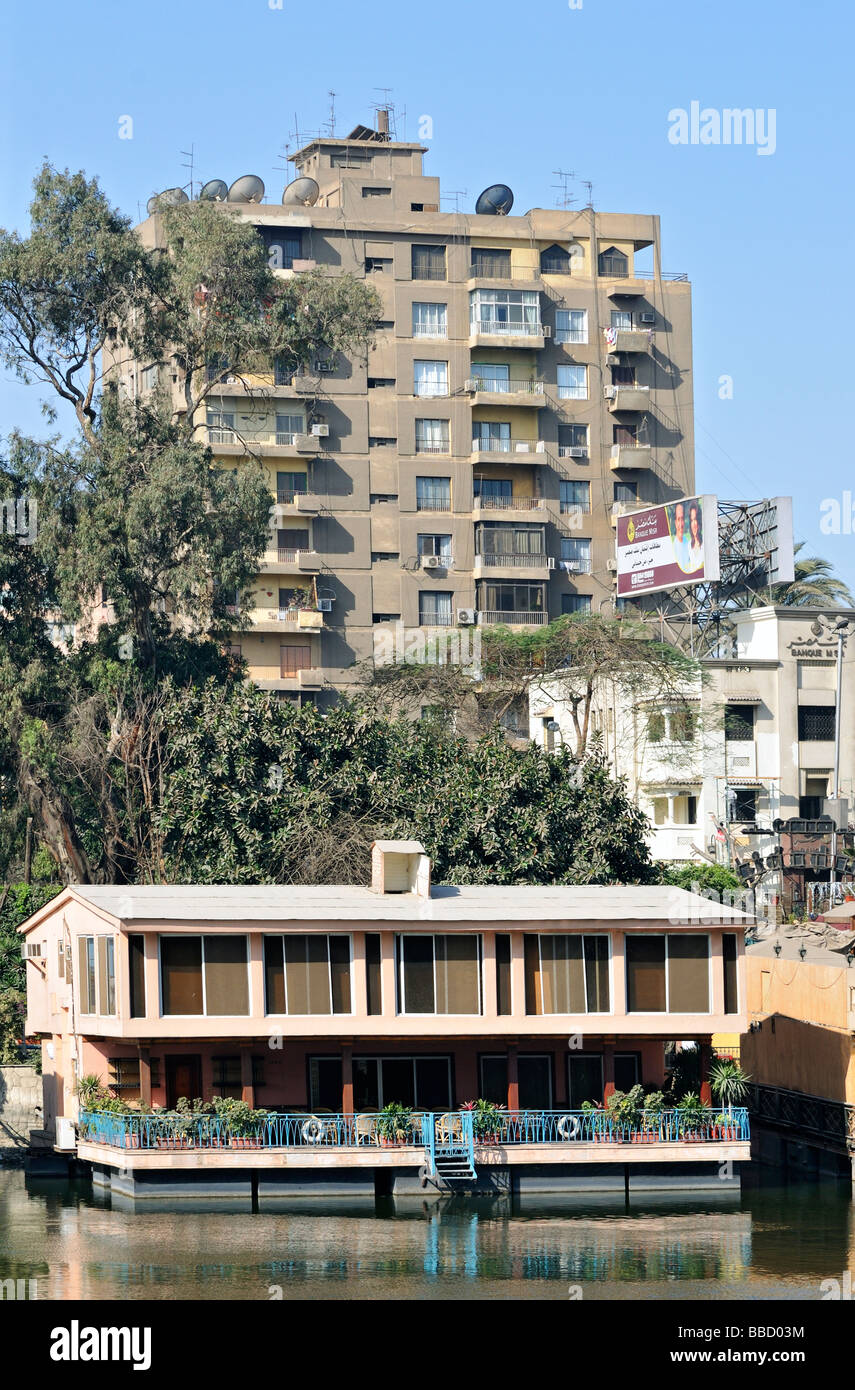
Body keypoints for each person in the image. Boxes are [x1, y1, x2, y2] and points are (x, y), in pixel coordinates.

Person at [671, 501, 691, 571]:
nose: (681, 524)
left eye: (682, 519)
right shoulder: (672, 547)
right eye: (678, 519)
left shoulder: (688, 542)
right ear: (675, 522)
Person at [687, 501, 704, 572]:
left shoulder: (705, 542)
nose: (693, 524)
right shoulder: (689, 545)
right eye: (691, 520)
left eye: (695, 520)